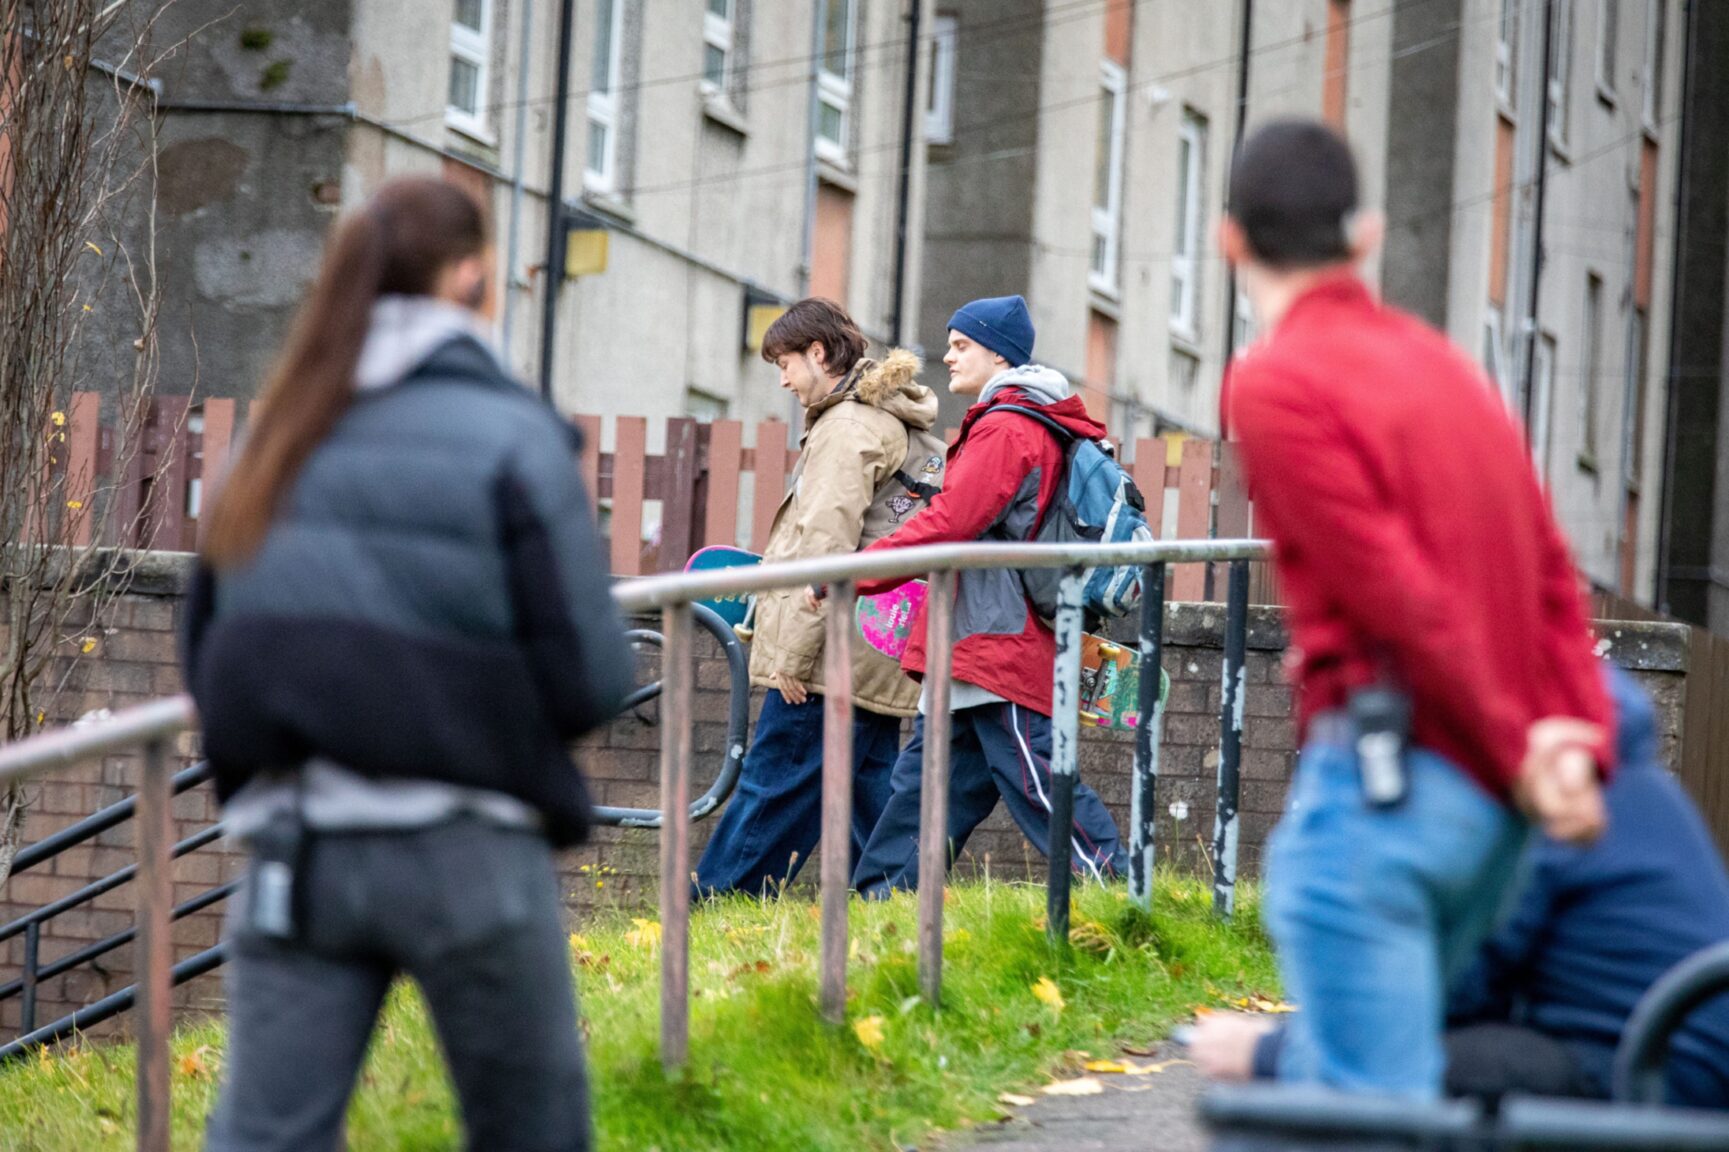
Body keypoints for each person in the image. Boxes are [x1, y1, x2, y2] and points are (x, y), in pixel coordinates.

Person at [185, 178, 631, 1151]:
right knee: (532, 1131)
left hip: (297, 851)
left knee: (265, 1137)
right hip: (471, 853)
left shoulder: (274, 435)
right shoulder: (515, 435)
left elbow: (209, 647)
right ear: (469, 274)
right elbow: (594, 676)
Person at [1219, 119, 1614, 1100]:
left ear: (1229, 241)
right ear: (1366, 235)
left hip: (1382, 798)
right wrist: (1578, 740)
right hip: (1485, 820)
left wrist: (1519, 745)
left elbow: (1393, 593)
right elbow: (1546, 575)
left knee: (1364, 1117)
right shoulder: (1449, 371)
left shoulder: (1273, 382)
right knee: (1387, 1099)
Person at [1192, 666, 1729, 1108]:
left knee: (1307, 1110)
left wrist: (1271, 1055)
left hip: (1653, 1068)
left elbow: (1459, 981)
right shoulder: (1595, 761)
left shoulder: (1548, 780)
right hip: (1671, 1052)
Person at [849, 295, 1128, 896]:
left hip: (997, 638)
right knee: (923, 792)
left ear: (997, 351)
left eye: (960, 344)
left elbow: (951, 521)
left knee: (1040, 781)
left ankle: (1117, 886)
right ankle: (879, 905)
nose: (946, 356)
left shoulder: (1008, 426)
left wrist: (855, 572)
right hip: (978, 638)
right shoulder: (1013, 419)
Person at [693, 299, 939, 897]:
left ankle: (713, 907)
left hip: (831, 656)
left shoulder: (847, 428)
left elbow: (824, 555)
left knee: (771, 788)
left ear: (819, 354)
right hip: (878, 648)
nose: (782, 378)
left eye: (785, 363)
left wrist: (793, 662)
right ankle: (889, 909)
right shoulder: (892, 423)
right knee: (869, 796)